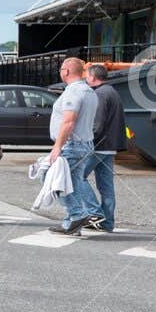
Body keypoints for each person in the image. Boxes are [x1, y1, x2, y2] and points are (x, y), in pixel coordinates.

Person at [46, 55, 103, 236]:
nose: (60, 72)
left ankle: (77, 215)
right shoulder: (89, 91)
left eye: (61, 69)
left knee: (54, 179)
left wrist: (57, 146)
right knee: (75, 183)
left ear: (67, 71)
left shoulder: (73, 92)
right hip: (85, 144)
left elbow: (69, 121)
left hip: (72, 145)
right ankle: (71, 224)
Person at [84, 63, 126, 232]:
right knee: (106, 186)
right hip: (110, 147)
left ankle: (96, 213)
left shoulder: (100, 94)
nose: (85, 79)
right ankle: (107, 223)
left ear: (93, 77)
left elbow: (97, 124)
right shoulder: (112, 92)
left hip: (98, 146)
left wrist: (87, 141)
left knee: (77, 177)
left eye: (87, 76)